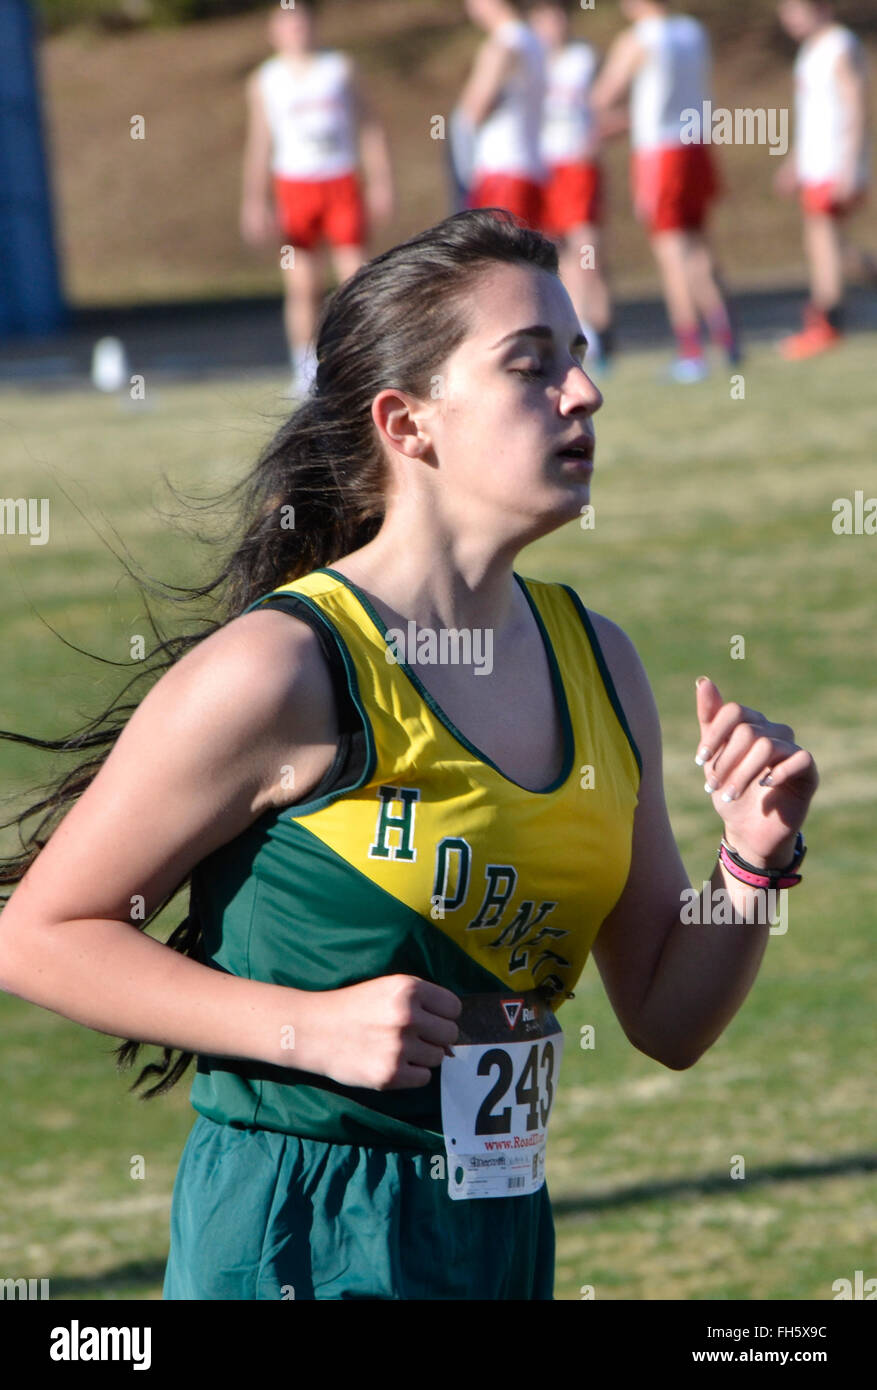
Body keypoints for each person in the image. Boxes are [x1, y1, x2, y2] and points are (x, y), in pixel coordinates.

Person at [0, 210, 817, 1301]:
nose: (585, 393)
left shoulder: (601, 662)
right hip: (302, 1226)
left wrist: (750, 865)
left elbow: (666, 1017)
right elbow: (42, 935)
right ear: (407, 422)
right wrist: (308, 1028)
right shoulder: (286, 669)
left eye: (576, 359)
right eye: (532, 366)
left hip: (498, 1227)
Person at [240, 0, 394, 396]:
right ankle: (304, 371)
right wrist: (254, 201)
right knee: (302, 285)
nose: (296, 30)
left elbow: (371, 127)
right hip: (294, 187)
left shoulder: (339, 68)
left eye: (301, 22)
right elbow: (260, 142)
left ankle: (363, 363)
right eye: (287, 23)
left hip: (340, 182)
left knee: (355, 280)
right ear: (274, 30)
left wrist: (380, 181)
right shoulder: (266, 80)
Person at [590, 0, 740, 382]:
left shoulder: (638, 39)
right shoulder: (692, 31)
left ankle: (691, 351)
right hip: (696, 147)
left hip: (661, 156)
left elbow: (601, 99)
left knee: (672, 254)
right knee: (699, 247)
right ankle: (726, 337)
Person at [775, 0, 874, 359]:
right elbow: (812, 116)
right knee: (832, 246)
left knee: (822, 238)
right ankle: (828, 318)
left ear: (820, 8)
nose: (789, 19)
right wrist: (795, 162)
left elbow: (856, 106)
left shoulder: (840, 45)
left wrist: (850, 164)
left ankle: (827, 324)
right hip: (816, 162)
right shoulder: (809, 52)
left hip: (836, 161)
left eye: (796, 10)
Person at [529, 0, 614, 371]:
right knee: (555, 256)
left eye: (559, 15)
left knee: (587, 252)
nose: (553, 24)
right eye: (544, 17)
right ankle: (575, 332)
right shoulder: (528, 61)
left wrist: (594, 140)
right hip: (542, 169)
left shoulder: (584, 58)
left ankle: (598, 332)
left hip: (577, 168)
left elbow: (617, 109)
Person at [455, 0, 547, 228]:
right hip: (532, 167)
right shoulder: (534, 41)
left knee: (498, 256)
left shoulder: (502, 45)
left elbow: (474, 109)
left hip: (502, 168)